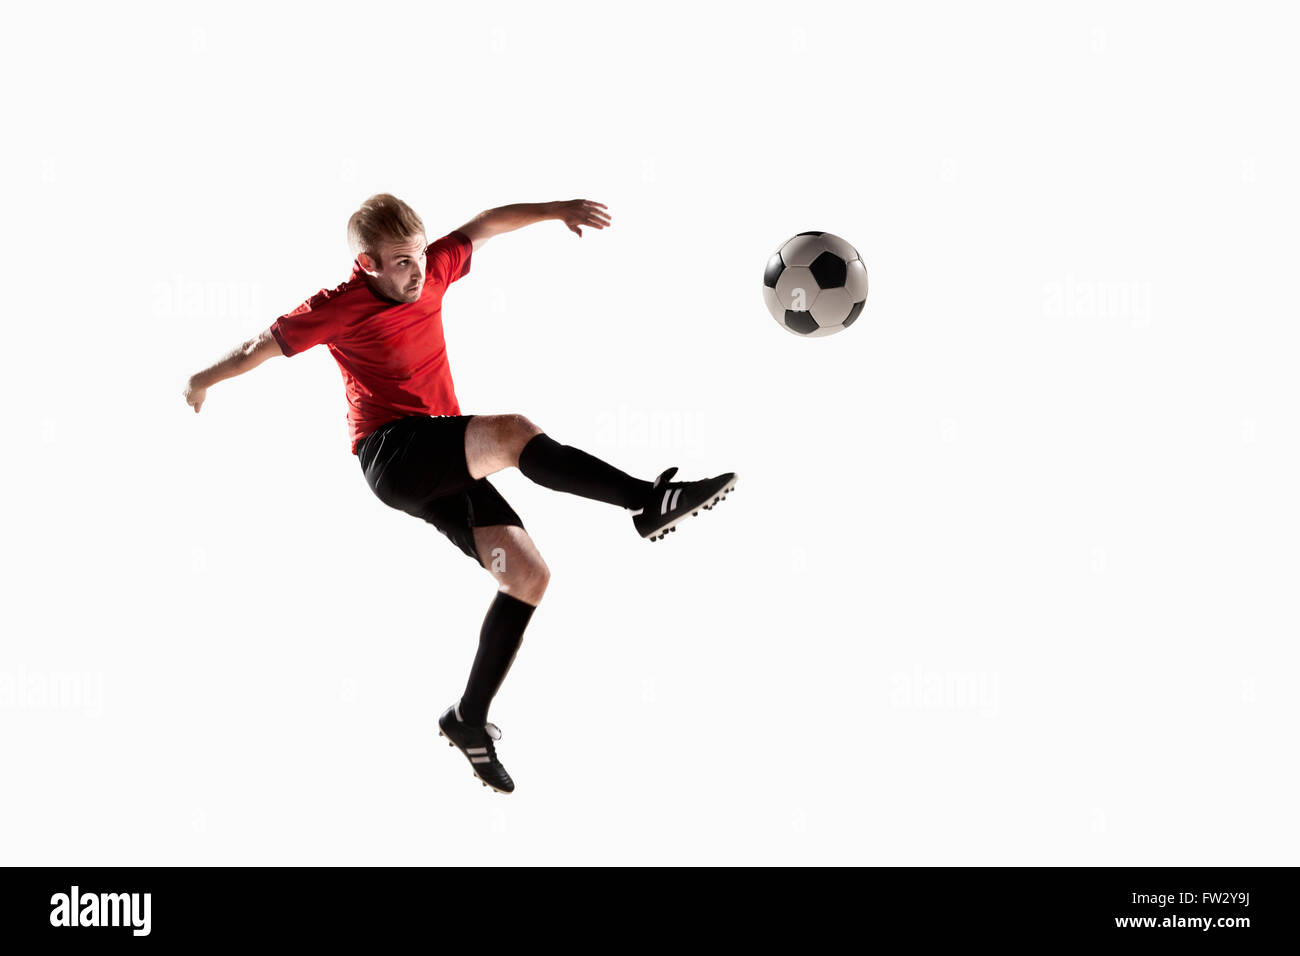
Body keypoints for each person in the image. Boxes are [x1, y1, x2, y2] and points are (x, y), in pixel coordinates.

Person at [182, 193, 737, 793]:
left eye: (419, 254)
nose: (416, 270)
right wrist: (199, 379)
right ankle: (644, 500)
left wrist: (558, 209)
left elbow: (484, 225)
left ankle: (467, 720)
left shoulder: (433, 267)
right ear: (367, 264)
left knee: (528, 577)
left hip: (440, 462)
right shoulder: (337, 306)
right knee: (514, 433)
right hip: (393, 453)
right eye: (399, 261)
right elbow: (256, 348)